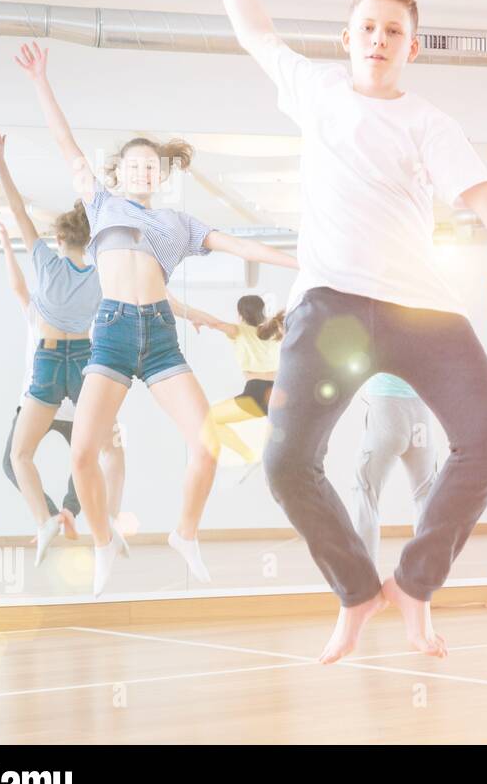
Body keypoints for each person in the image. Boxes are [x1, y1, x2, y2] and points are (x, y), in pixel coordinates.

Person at [189, 0, 487, 661]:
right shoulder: (315, 93)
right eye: (368, 27)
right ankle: (357, 592)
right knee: (286, 462)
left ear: (410, 46)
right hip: (330, 307)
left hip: (420, 310)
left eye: (393, 31)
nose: (379, 39)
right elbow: (257, 34)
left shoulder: (428, 124)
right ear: (346, 39)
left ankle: (414, 584)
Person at [15, 43, 299, 596]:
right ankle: (101, 539)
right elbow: (65, 142)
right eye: (135, 163)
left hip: (161, 338)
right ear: (119, 172)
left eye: (153, 164)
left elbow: (240, 243)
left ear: (162, 173)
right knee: (82, 454)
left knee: (209, 444)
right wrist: (39, 81)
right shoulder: (100, 204)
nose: (144, 169)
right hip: (114, 333)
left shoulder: (178, 223)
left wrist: (298, 259)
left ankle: (184, 533)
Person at [0, 129, 109, 565]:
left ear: (59, 240)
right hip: (87, 360)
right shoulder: (102, 272)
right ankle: (95, 526)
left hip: (50, 360)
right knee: (98, 452)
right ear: (90, 242)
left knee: (20, 455)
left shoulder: (44, 261)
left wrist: (0, 161)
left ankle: (47, 522)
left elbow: (18, 208)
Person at [181, 294, 284, 467]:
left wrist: (197, 320)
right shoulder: (273, 332)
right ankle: (267, 457)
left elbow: (214, 323)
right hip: (278, 393)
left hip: (256, 392)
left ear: (241, 314)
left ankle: (249, 455)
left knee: (207, 420)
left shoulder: (239, 330)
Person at [352, 373, 437, 564]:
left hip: (386, 407)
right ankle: (425, 575)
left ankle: (364, 577)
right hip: (421, 411)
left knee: (366, 494)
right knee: (425, 496)